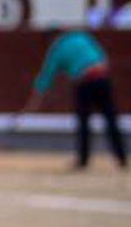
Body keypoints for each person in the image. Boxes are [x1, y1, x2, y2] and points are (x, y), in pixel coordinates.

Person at [24, 29, 127, 169]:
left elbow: (46, 77)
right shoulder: (81, 37)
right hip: (102, 78)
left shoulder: (57, 49)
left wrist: (33, 103)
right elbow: (101, 56)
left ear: (51, 40)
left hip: (85, 83)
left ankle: (83, 160)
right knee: (111, 120)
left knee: (84, 123)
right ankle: (122, 158)